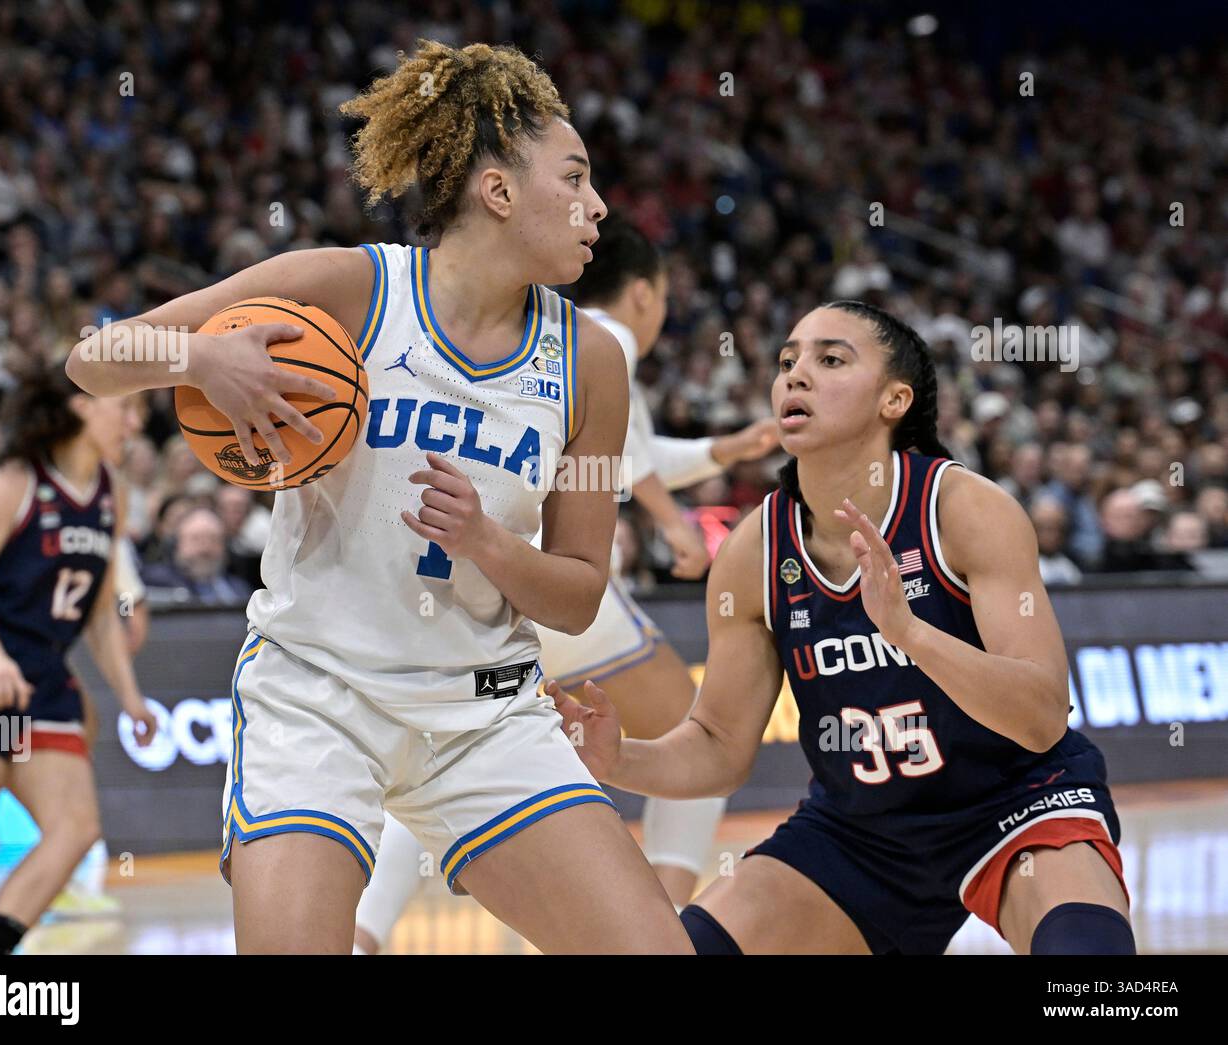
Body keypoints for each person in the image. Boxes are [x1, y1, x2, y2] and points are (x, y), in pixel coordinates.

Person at [65, 40, 693, 955]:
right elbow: (94, 359)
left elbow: (578, 590)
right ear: (498, 192)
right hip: (319, 695)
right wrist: (201, 359)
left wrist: (489, 544)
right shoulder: (351, 291)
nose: (599, 206)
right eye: (576, 177)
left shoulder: (590, 360)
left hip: (485, 709)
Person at [552, 300, 1134, 955]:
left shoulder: (966, 510)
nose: (796, 374)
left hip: (1014, 802)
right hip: (862, 831)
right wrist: (616, 757)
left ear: (893, 400)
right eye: (787, 360)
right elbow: (718, 747)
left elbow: (1043, 716)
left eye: (830, 359)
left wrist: (911, 633)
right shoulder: (754, 551)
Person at [352, 215, 778, 952]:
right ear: (644, 292)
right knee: (700, 734)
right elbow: (623, 465)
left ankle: (365, 931)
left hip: (489, 582)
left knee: (440, 749)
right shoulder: (600, 340)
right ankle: (670, 914)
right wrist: (674, 524)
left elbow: (620, 452)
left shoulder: (563, 334)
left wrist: (720, 448)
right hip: (549, 577)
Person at [0, 363, 156, 954]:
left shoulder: (113, 491)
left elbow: (103, 614)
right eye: (125, 409)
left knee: (76, 829)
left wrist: (129, 697)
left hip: (47, 679)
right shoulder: (16, 480)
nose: (135, 424)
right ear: (83, 405)